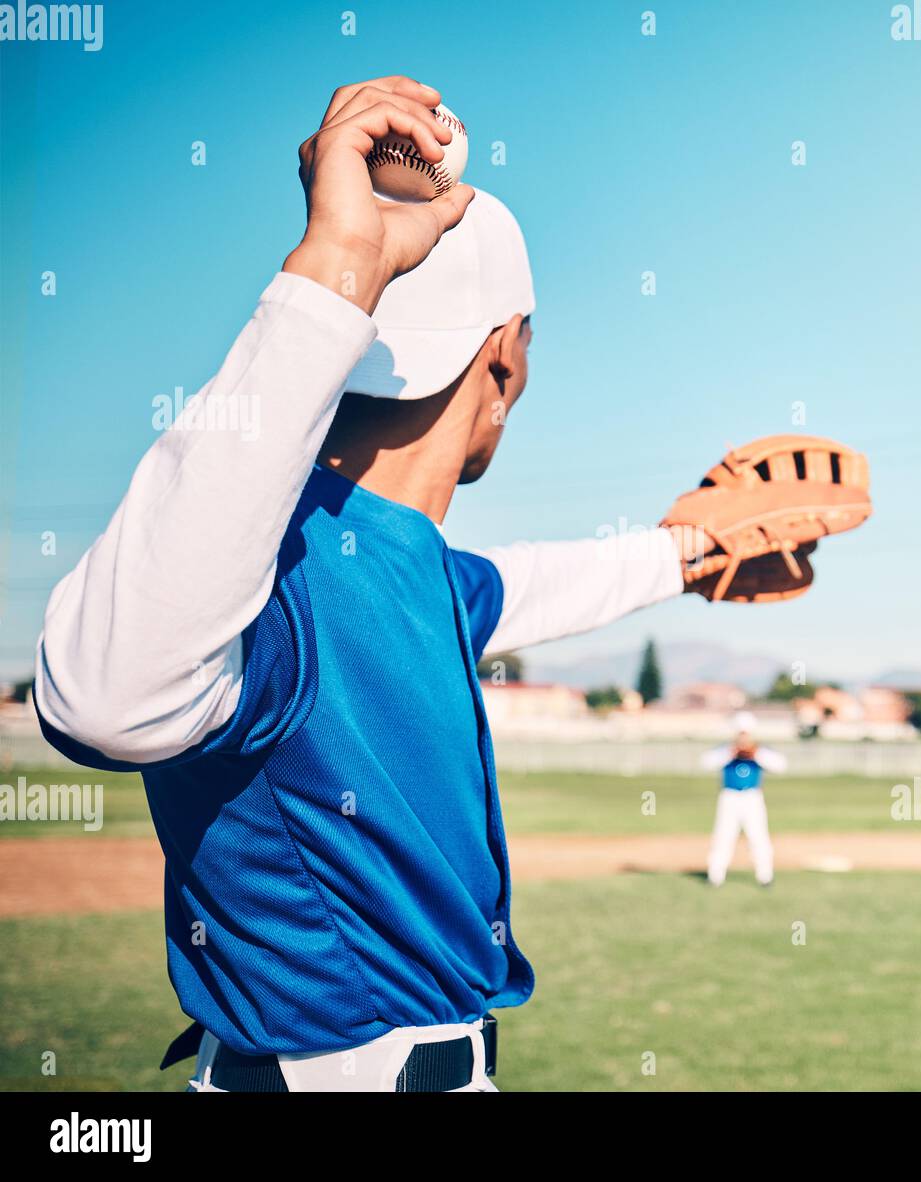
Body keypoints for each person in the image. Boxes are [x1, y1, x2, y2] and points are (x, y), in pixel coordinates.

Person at [33, 77, 707, 1092]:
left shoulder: (405, 563)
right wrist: (339, 263)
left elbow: (534, 585)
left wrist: (689, 554)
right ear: (503, 364)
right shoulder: (270, 564)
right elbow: (103, 703)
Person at [700, 711, 788, 887]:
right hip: (729, 796)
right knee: (723, 835)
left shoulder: (760, 750)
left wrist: (755, 753)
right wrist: (731, 752)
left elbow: (780, 765)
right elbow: (706, 763)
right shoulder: (726, 750)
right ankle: (715, 876)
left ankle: (765, 876)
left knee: (758, 836)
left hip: (752, 797)